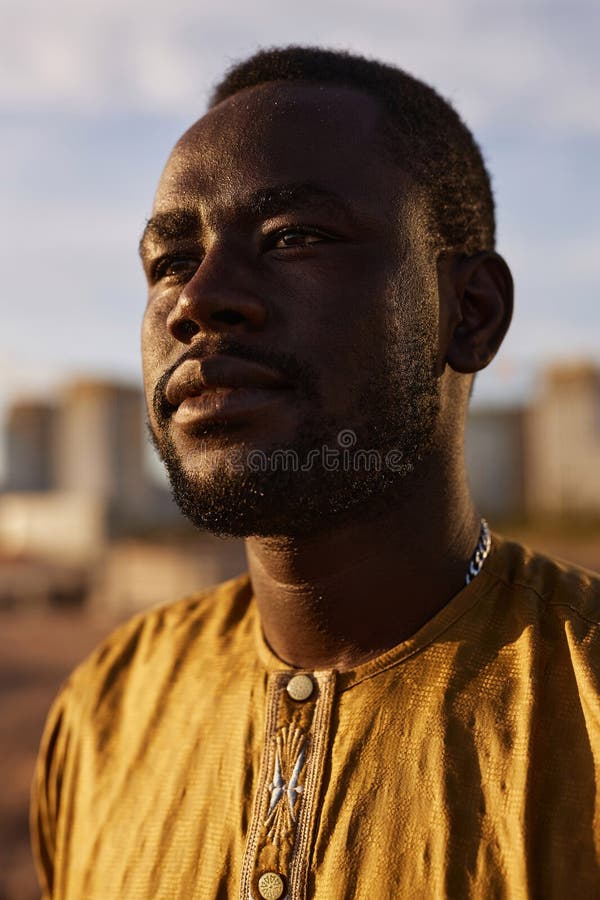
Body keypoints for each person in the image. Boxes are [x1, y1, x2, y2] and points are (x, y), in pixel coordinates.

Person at [32, 46, 600, 899]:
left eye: (294, 238)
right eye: (169, 262)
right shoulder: (107, 709)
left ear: (469, 313)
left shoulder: (583, 701)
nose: (196, 300)